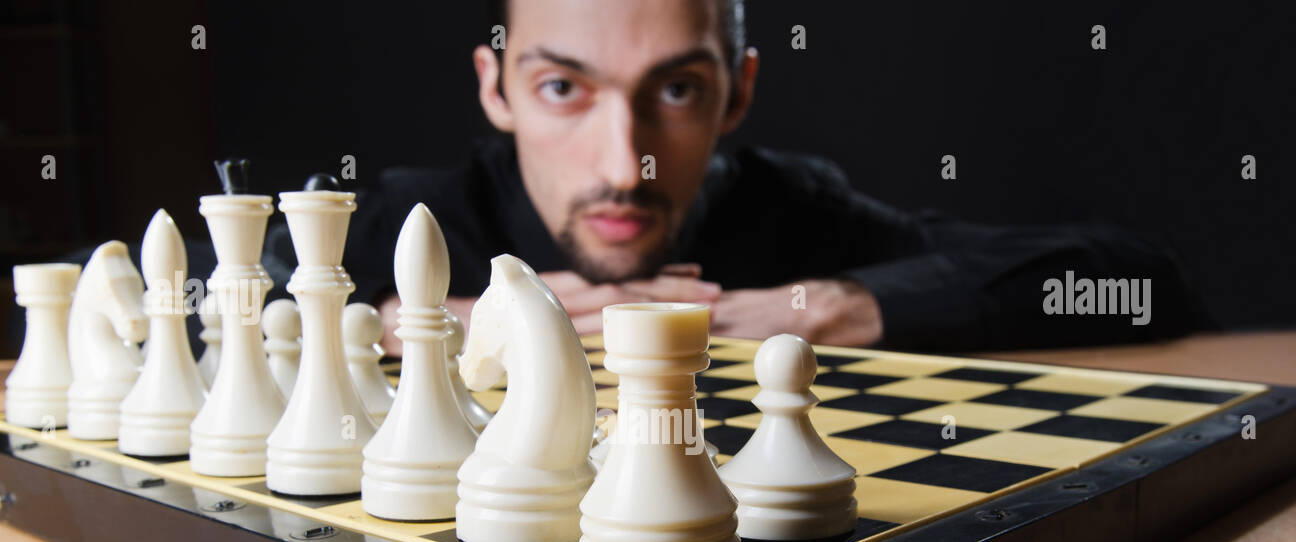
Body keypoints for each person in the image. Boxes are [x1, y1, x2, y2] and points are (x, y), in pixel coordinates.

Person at [299, 0, 1212, 355]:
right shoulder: (408, 220)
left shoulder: (793, 215)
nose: (626, 164)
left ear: (738, 95)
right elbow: (187, 298)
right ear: (495, 89)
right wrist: (397, 321)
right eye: (562, 87)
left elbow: (1136, 280)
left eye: (679, 89)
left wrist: (832, 307)